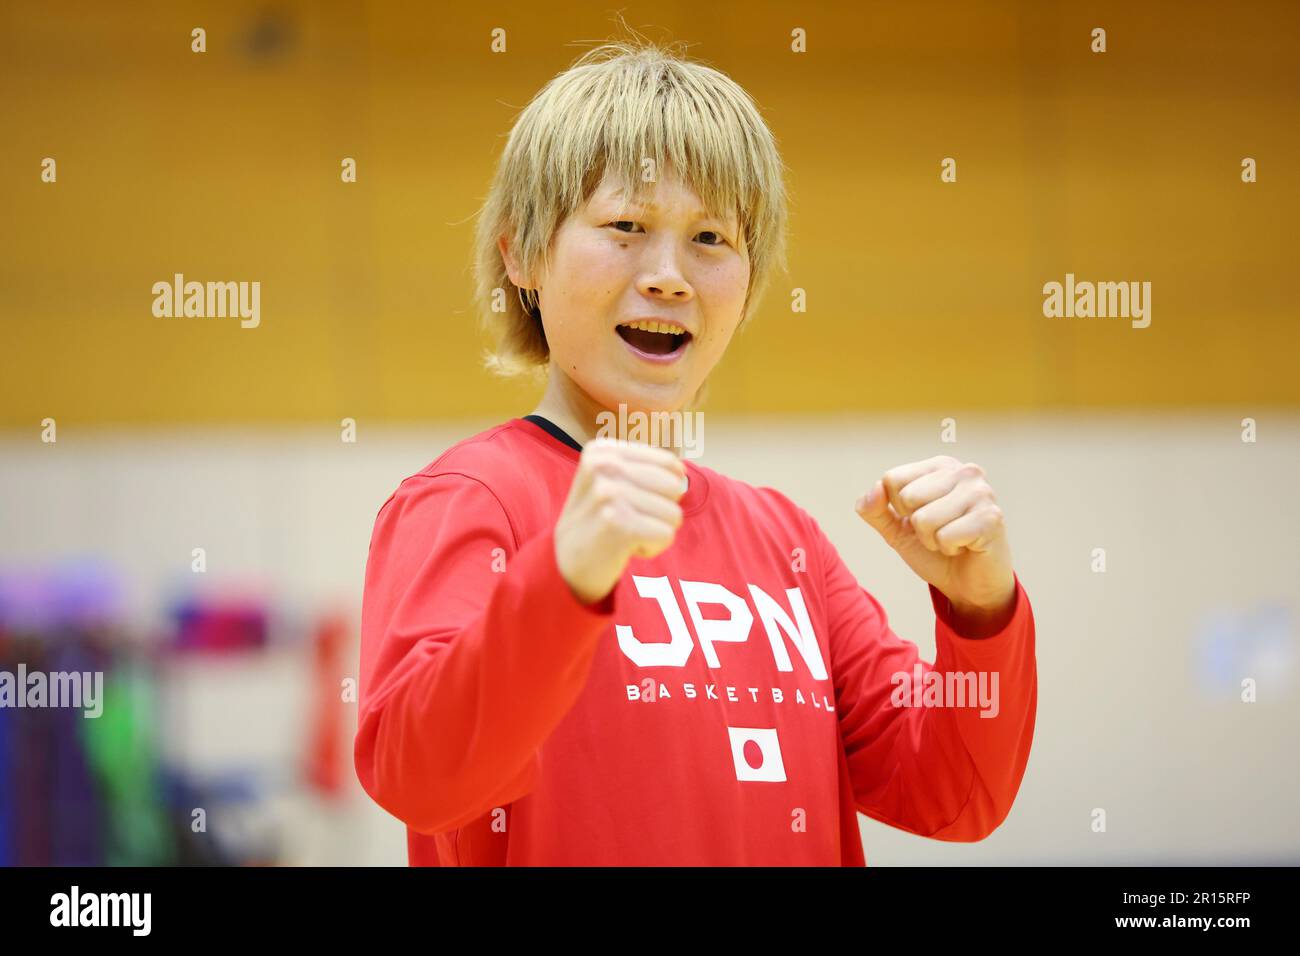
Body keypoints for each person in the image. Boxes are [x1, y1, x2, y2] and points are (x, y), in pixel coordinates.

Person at [354, 36, 1036, 866]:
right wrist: (562, 582)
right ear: (522, 254)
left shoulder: (782, 539)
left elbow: (956, 793)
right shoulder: (469, 498)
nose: (670, 275)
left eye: (712, 239)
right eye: (626, 226)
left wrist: (983, 608)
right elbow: (419, 779)